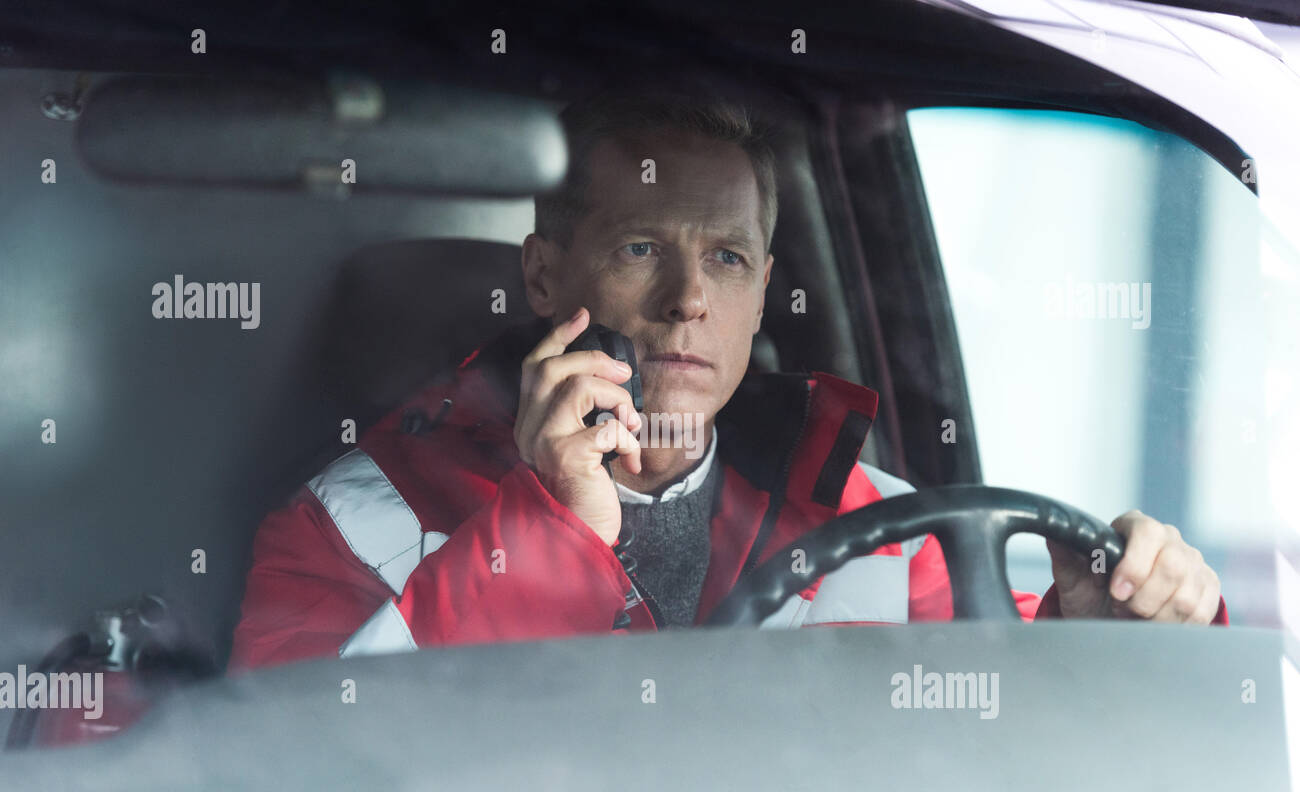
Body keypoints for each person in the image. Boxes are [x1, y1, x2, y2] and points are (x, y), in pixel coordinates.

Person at [228, 87, 1225, 671]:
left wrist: (1106, 641)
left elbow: (996, 768)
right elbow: (284, 790)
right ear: (542, 274)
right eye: (638, 249)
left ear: (759, 301)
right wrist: (547, 529)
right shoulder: (349, 523)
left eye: (728, 261)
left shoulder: (887, 525)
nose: (688, 300)